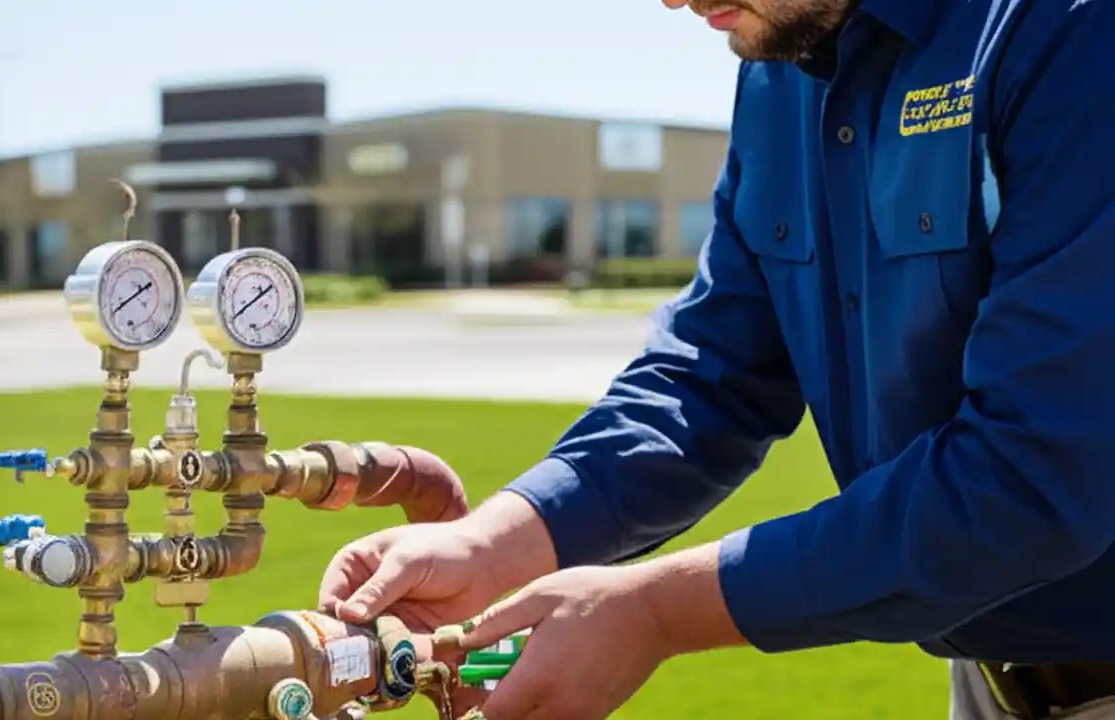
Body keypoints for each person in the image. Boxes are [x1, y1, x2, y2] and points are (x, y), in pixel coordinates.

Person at [319, 0, 1115, 717]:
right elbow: (711, 374)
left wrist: (656, 611)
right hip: (988, 685)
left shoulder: (1070, 30)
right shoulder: (780, 70)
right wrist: (500, 539)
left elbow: (1033, 474)